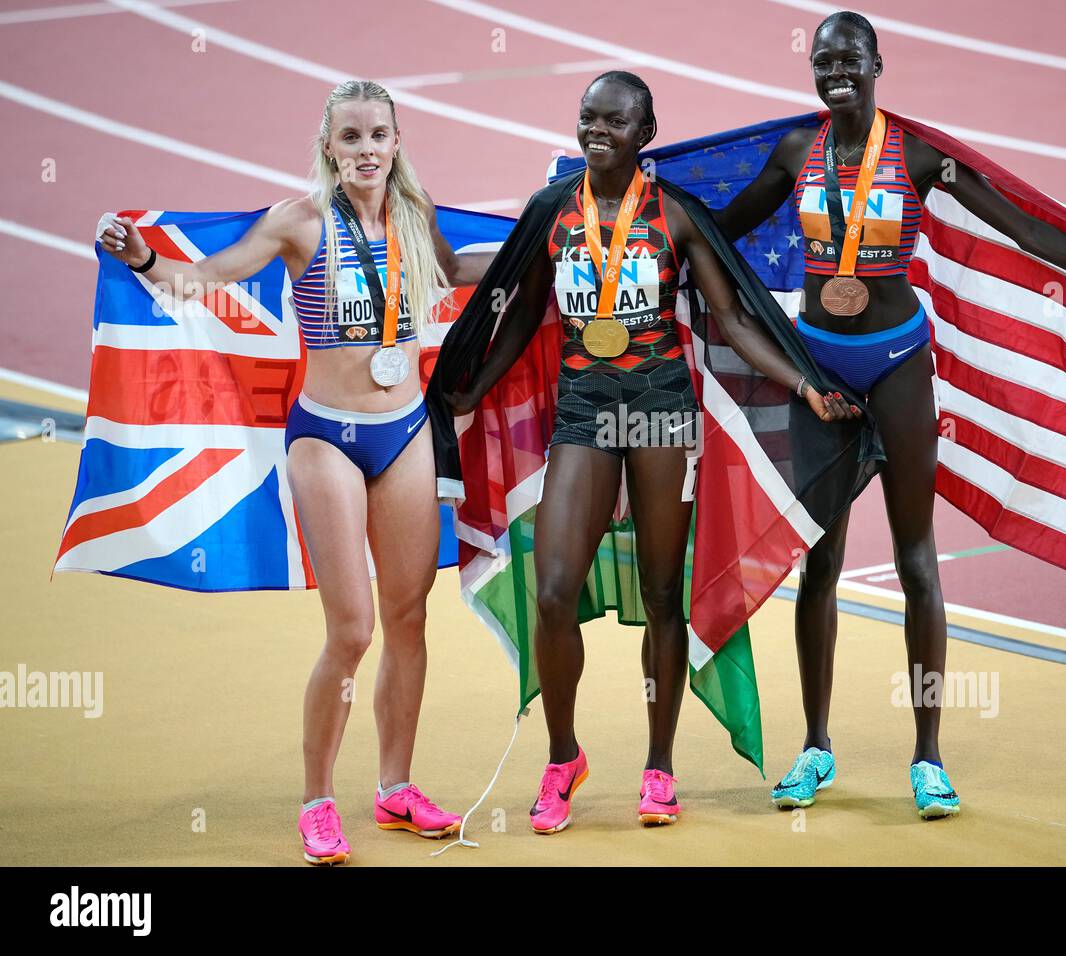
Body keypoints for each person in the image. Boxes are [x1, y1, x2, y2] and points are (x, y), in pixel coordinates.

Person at [716, 12, 1066, 818]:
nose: (836, 71)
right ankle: (816, 748)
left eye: (850, 59)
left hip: (897, 365)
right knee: (818, 564)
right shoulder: (796, 154)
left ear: (877, 65)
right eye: (823, 59)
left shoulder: (920, 158)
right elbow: (720, 233)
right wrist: (644, 230)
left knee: (915, 559)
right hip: (820, 366)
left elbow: (1025, 228)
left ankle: (928, 758)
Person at [442, 71, 860, 834]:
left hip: (661, 413)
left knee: (667, 596)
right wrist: (471, 390)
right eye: (586, 118)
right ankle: (563, 756)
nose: (596, 131)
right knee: (553, 590)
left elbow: (732, 321)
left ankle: (659, 766)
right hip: (585, 413)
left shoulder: (677, 217)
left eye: (614, 121)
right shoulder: (551, 213)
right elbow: (520, 309)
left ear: (646, 133)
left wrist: (806, 387)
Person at [95, 80, 494, 864]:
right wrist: (143, 256)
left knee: (410, 619)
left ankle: (394, 787)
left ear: (396, 141)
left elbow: (457, 272)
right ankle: (316, 800)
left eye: (379, 135)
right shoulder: (299, 223)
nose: (367, 151)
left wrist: (540, 251)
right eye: (351, 138)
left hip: (407, 430)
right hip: (326, 441)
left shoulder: (415, 217)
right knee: (352, 630)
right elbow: (203, 280)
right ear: (328, 148)